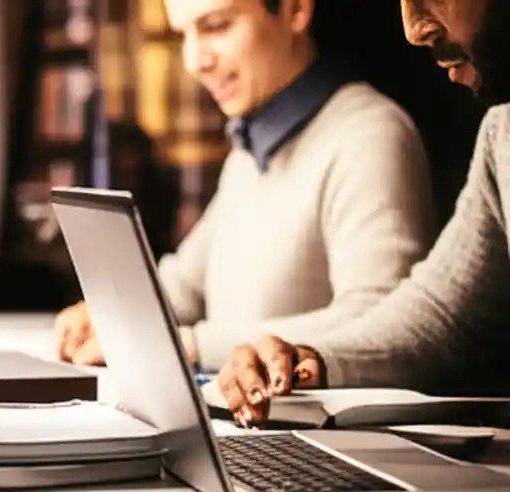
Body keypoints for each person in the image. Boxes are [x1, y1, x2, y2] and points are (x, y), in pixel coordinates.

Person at [54, 0, 435, 372]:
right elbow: (186, 284)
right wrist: (110, 312)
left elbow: (379, 323)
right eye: (185, 33)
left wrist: (189, 347)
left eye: (217, 26)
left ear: (295, 10)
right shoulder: (252, 147)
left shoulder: (370, 135)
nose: (194, 61)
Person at [217, 0, 510, 426]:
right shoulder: (502, 133)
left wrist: (187, 344)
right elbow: (441, 319)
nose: (413, 29)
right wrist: (309, 359)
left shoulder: (369, 130)